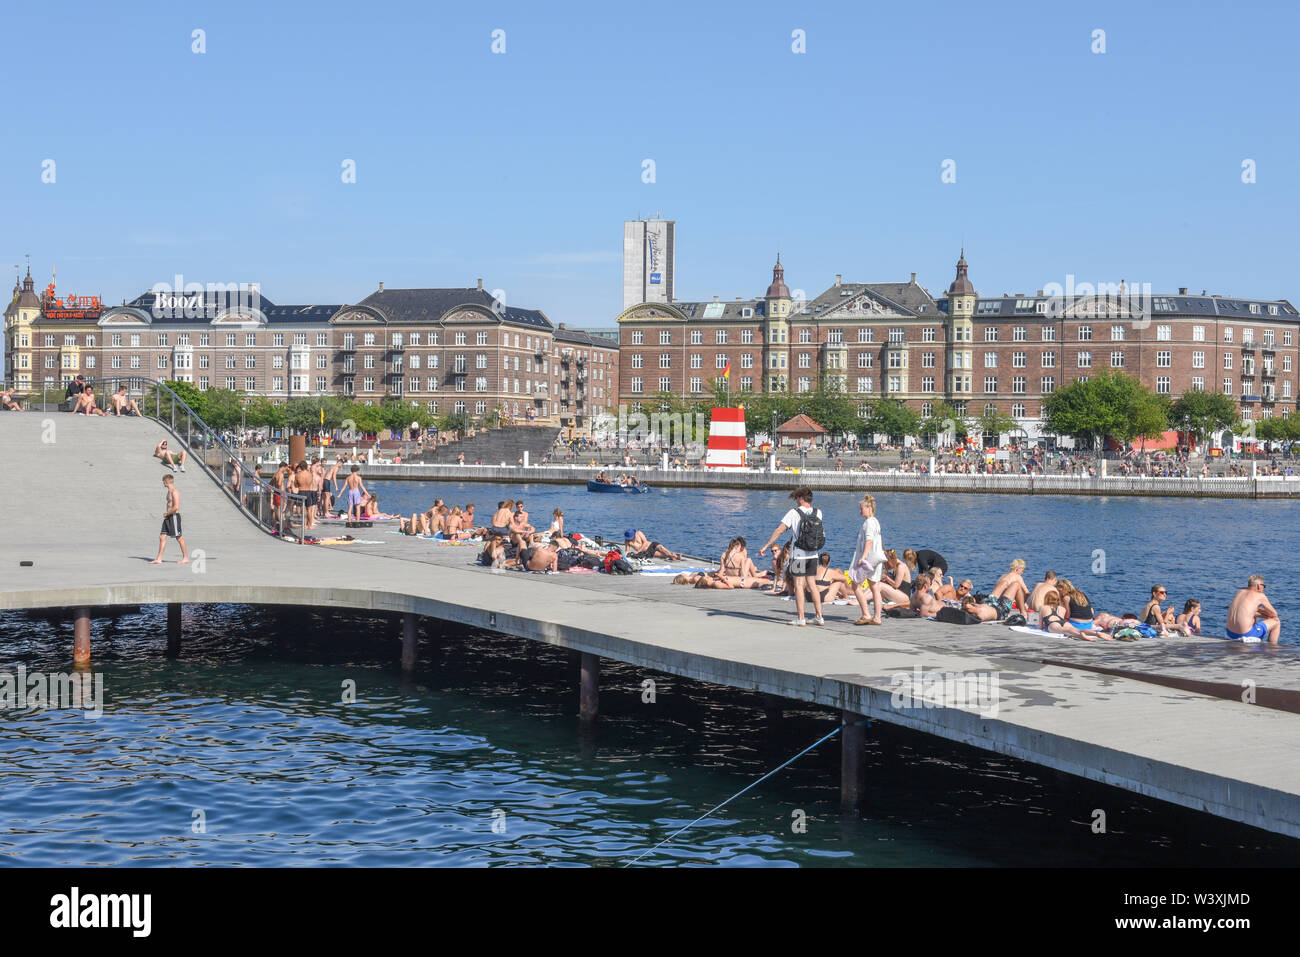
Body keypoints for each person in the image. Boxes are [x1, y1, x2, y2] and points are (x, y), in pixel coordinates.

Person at [758, 486, 826, 627]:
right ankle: (819, 617)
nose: (796, 501)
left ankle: (801, 618)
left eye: (796, 498)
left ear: (800, 498)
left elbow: (780, 530)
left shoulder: (793, 513)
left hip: (798, 555)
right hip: (813, 554)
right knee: (812, 584)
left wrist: (766, 545)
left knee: (799, 585)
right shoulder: (818, 512)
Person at [848, 494, 885, 626]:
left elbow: (868, 541)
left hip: (868, 559)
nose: (860, 511)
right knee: (874, 586)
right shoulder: (876, 521)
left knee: (855, 584)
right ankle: (877, 617)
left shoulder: (868, 523)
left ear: (869, 508)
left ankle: (866, 613)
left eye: (861, 508)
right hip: (877, 558)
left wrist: (862, 558)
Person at [1226, 574, 1281, 643]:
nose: (1264, 588)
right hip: (1245, 635)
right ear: (1259, 586)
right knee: (1276, 622)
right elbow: (1274, 614)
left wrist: (1261, 613)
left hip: (1230, 634)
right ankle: (1272, 647)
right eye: (1264, 586)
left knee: (1253, 617)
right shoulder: (1260, 596)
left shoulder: (1240, 592)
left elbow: (1246, 612)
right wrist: (1266, 614)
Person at [148, 473, 190, 564]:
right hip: (168, 517)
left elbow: (176, 507)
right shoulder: (169, 491)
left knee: (178, 537)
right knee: (162, 536)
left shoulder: (174, 492)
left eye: (163, 482)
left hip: (174, 516)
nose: (163, 483)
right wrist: (167, 514)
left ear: (166, 482)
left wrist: (167, 513)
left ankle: (185, 557)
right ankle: (159, 559)